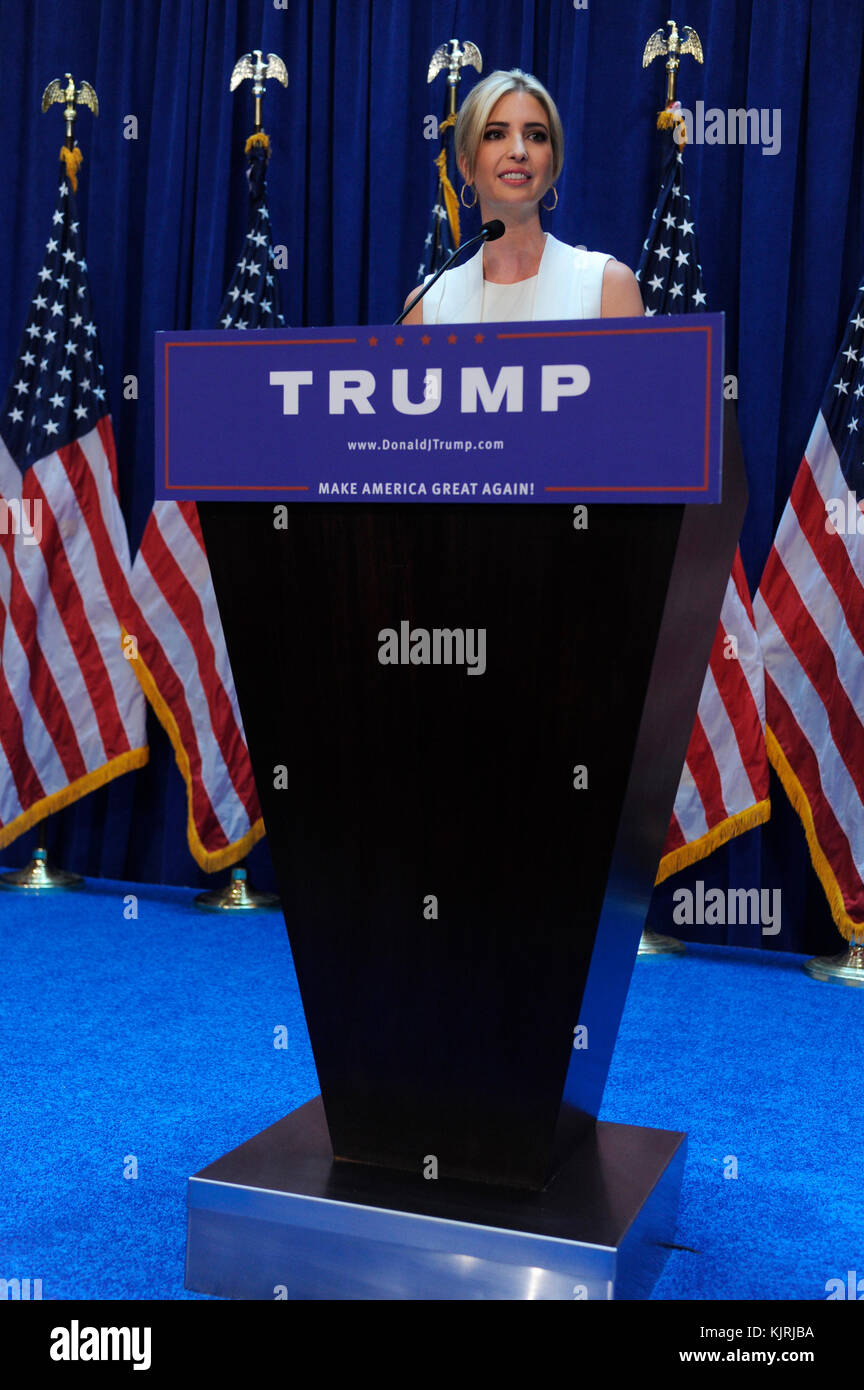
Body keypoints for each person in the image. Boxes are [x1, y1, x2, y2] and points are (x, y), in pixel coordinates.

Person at [402, 68, 644, 325]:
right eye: (495, 134)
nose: (518, 151)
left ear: (554, 164)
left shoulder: (606, 287)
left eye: (535, 136)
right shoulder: (427, 306)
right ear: (466, 165)